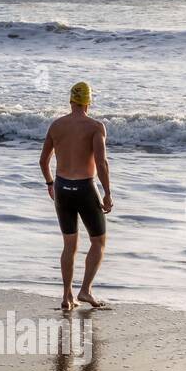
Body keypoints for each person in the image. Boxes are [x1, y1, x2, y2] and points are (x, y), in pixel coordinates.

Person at [39, 81, 113, 310]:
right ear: (88, 102)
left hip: (61, 188)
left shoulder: (56, 125)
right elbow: (101, 162)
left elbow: (43, 161)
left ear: (71, 100)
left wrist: (50, 183)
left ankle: (66, 296)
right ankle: (85, 290)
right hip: (84, 188)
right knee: (98, 242)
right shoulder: (95, 127)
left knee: (69, 245)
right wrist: (107, 193)